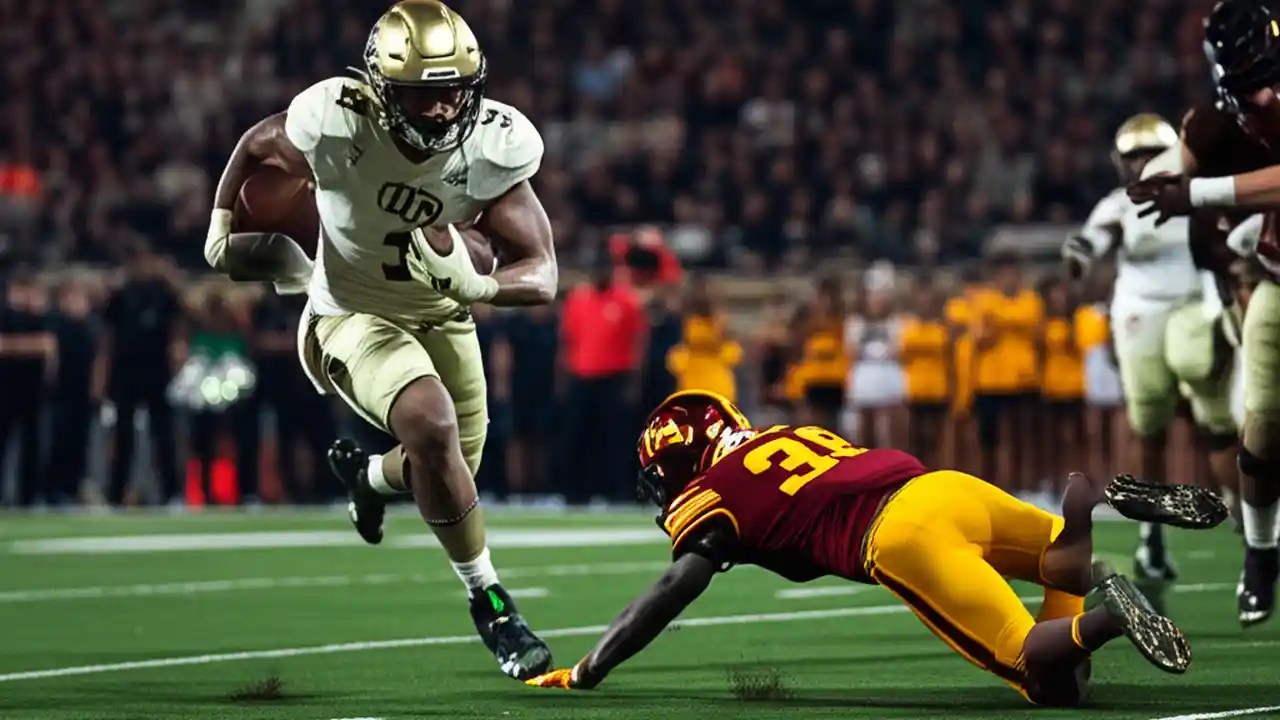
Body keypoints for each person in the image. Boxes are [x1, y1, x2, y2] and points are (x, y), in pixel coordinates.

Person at [202, 0, 557, 677]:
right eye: (424, 95)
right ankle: (493, 604)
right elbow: (256, 141)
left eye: (456, 91)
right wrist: (221, 227)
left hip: (444, 315)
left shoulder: (492, 144)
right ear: (381, 88)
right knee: (431, 423)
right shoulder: (336, 121)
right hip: (350, 314)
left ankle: (367, 475)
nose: (444, 110)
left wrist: (478, 289)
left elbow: (542, 274)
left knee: (451, 469)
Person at [522, 390, 1226, 705]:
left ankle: (1109, 620)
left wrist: (590, 667)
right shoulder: (784, 434)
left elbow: (675, 586)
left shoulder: (716, 492)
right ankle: (1082, 505)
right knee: (1059, 601)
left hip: (898, 536)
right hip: (946, 486)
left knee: (1040, 675)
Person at [1126, 0, 1280, 626]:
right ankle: (1261, 551)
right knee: (1263, 430)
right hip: (1276, 281)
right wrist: (1165, 184)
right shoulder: (1214, 126)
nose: (1267, 95)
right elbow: (1183, 183)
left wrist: (1201, 194)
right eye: (1253, 84)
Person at [1070, 113, 1240, 588]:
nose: (1143, 163)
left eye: (1152, 154)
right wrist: (1078, 257)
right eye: (1134, 156)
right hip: (1139, 311)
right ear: (1120, 162)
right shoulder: (1118, 203)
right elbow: (1092, 237)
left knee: (1218, 419)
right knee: (1148, 425)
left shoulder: (1196, 193)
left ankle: (1253, 522)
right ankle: (1152, 533)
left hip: (1193, 306)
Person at [98, 243, 185, 507]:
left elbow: (179, 327)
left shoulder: (164, 294)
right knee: (123, 437)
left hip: (158, 372)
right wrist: (102, 376)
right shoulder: (120, 296)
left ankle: (172, 494)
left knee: (165, 436)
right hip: (124, 372)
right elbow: (107, 337)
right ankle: (115, 494)